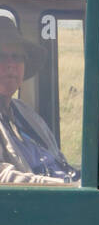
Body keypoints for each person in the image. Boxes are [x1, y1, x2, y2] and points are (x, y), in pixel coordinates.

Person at [0, 15, 79, 186]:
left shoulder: (24, 112)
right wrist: (65, 187)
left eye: (17, 57)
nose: (11, 64)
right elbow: (3, 177)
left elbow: (58, 158)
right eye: (2, 56)